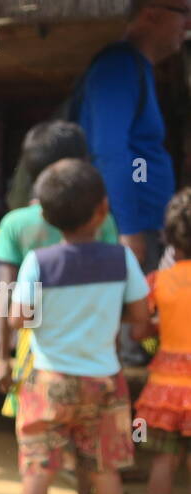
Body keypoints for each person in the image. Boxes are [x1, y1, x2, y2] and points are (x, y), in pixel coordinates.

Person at [8, 159, 153, 494]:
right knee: (105, 469)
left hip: (48, 380)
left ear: (47, 215)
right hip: (104, 381)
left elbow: (20, 318)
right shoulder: (121, 259)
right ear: (102, 210)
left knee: (38, 469)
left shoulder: (38, 261)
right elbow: (141, 321)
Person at [0, 120, 120, 494]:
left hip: (36, 349)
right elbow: (114, 285)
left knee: (37, 445)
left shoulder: (15, 223)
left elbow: (8, 297)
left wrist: (2, 357)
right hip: (92, 344)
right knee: (91, 442)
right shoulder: (101, 218)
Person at [74, 0, 190, 364]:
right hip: (129, 228)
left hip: (141, 226)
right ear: (151, 13)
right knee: (131, 344)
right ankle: (132, 416)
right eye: (183, 11)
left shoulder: (136, 68)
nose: (187, 24)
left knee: (138, 334)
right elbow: (109, 150)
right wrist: (128, 228)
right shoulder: (118, 65)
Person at [132, 188, 191, 494]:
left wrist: (158, 327)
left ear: (168, 238)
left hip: (166, 388)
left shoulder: (158, 281)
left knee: (162, 464)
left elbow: (138, 331)